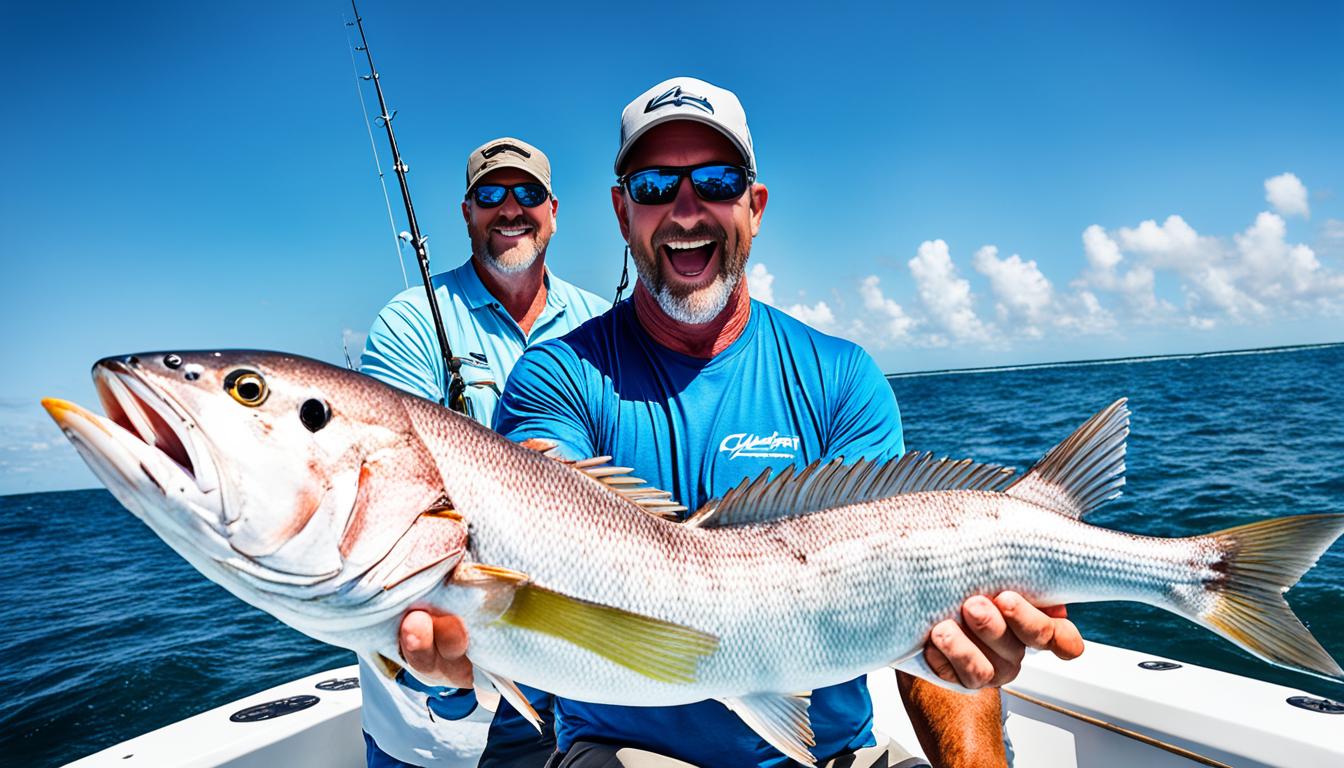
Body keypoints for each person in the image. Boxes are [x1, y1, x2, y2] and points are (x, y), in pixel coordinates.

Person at [398, 79, 1085, 767]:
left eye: (718, 182)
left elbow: (919, 592)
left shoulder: (842, 377)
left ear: (754, 207)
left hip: (831, 753)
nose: (686, 210)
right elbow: (528, 546)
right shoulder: (558, 378)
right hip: (627, 751)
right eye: (655, 186)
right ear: (621, 211)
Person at [360, 136, 609, 767]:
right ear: (467, 211)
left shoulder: (601, 320)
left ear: (553, 210)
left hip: (568, 671)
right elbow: (399, 498)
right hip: (434, 699)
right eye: (489, 194)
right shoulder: (411, 320)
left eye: (527, 193)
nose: (509, 208)